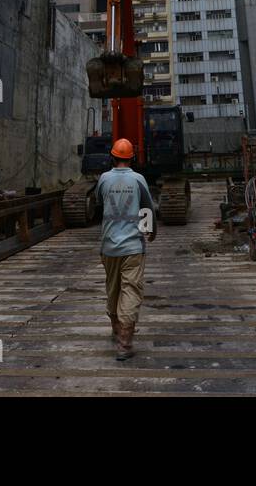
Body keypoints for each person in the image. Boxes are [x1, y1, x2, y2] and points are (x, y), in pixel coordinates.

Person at [93, 137, 156, 360]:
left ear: (113, 156)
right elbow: (148, 207)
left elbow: (99, 203)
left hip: (109, 245)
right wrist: (151, 230)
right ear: (131, 158)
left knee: (113, 288)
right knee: (131, 290)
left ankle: (116, 330)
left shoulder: (103, 179)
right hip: (132, 246)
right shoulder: (138, 179)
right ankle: (124, 343)